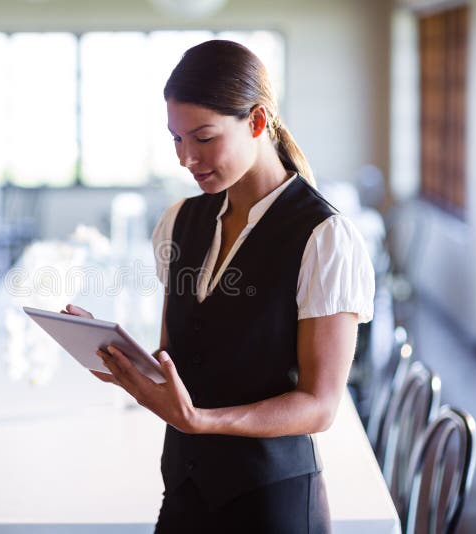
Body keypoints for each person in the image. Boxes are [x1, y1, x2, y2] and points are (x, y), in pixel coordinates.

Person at [64, 39, 374, 533]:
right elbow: (179, 356)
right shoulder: (179, 221)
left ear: (256, 121)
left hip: (273, 506)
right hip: (184, 495)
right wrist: (127, 365)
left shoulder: (325, 237)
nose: (187, 158)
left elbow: (320, 405)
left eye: (204, 138)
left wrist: (203, 422)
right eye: (177, 139)